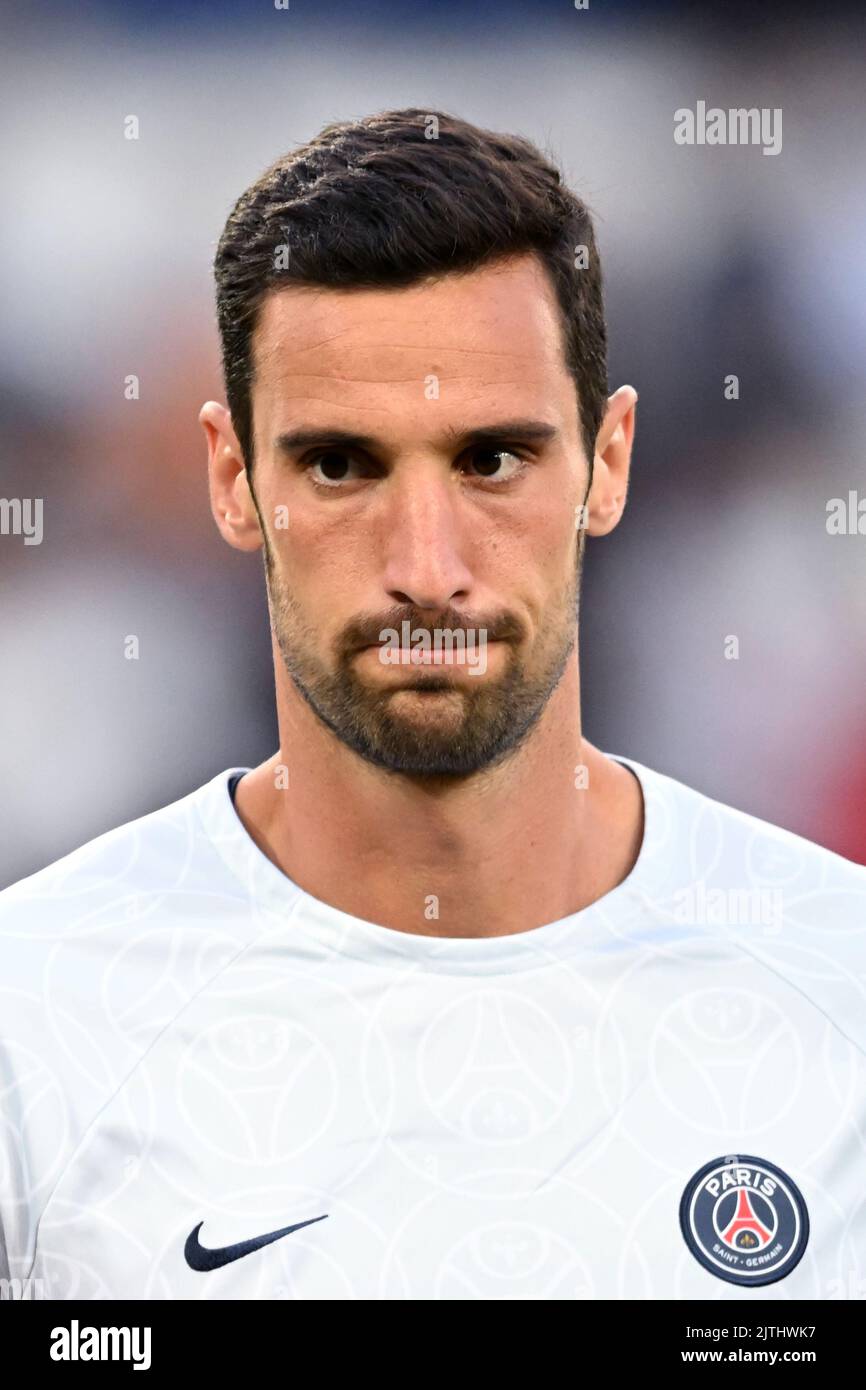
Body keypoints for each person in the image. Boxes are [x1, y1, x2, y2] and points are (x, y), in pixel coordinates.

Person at [1, 109, 864, 1301]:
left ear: (606, 461)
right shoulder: (35, 1015)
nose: (425, 561)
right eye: (341, 465)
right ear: (232, 480)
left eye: (491, 458)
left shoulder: (835, 987)